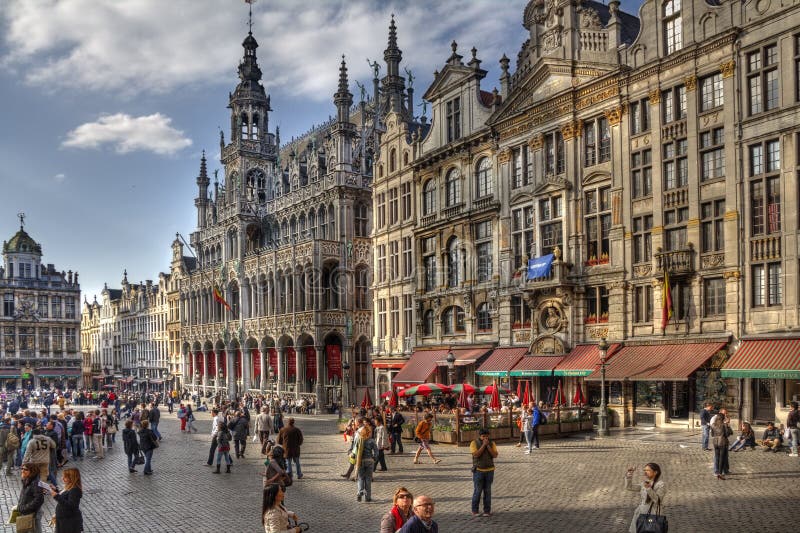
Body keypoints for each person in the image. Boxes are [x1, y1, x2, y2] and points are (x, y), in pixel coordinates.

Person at [624, 463, 666, 533]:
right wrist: (629, 475)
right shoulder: (644, 483)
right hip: (640, 513)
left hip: (653, 514)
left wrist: (649, 489)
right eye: (644, 470)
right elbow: (629, 487)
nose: (645, 472)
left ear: (655, 472)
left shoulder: (661, 484)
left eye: (648, 470)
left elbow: (657, 500)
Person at [470, 428, 498, 517]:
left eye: (486, 436)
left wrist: (488, 446)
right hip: (478, 470)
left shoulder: (492, 443)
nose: (485, 438)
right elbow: (476, 454)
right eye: (483, 436)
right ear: (480, 436)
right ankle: (475, 510)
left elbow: (495, 455)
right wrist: (483, 445)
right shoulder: (474, 443)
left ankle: (487, 511)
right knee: (477, 491)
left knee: (487, 491)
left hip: (490, 470)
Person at [50, 467, 83, 533]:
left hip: (69, 522)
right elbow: (65, 495)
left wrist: (56, 496)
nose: (62, 478)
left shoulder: (74, 490)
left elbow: (71, 505)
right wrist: (56, 490)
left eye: (65, 477)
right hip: (64, 520)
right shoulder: (69, 486)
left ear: (72, 478)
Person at [16, 463, 45, 533]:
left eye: (25, 469)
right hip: (26, 511)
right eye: (22, 468)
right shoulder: (27, 480)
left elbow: (39, 499)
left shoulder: (35, 483)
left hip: (33, 513)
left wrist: (26, 508)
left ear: (32, 471)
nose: (22, 471)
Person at [354, 423, 378, 502]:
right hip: (369, 461)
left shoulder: (359, 439)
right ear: (369, 432)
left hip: (360, 460)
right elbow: (376, 451)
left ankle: (360, 492)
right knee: (368, 479)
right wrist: (374, 458)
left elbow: (355, 450)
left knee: (361, 478)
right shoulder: (371, 441)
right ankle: (368, 497)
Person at [710, 409, 732, 479]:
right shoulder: (724, 425)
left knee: (717, 457)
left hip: (715, 442)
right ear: (722, 418)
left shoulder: (713, 425)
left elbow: (712, 434)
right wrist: (728, 425)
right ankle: (720, 473)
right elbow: (728, 434)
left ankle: (717, 472)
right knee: (722, 458)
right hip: (722, 442)